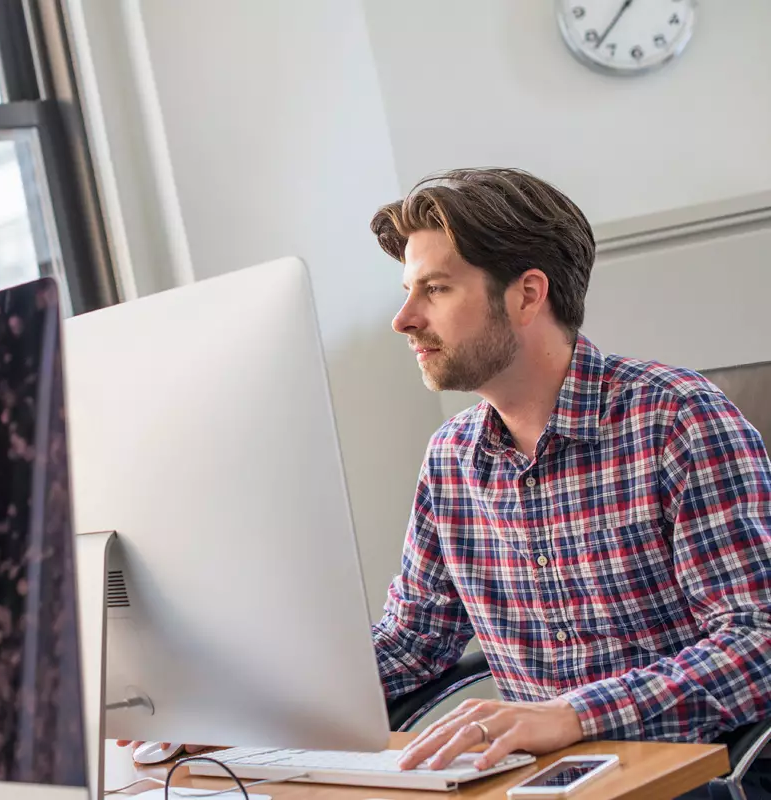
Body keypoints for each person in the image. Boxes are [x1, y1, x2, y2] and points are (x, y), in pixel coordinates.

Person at [124, 167, 771, 798]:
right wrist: (241, 716)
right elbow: (408, 645)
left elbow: (757, 642)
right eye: (410, 290)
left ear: (526, 294)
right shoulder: (453, 457)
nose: (403, 319)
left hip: (697, 772)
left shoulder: (677, 418)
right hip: (540, 783)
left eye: (435, 289)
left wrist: (572, 714)